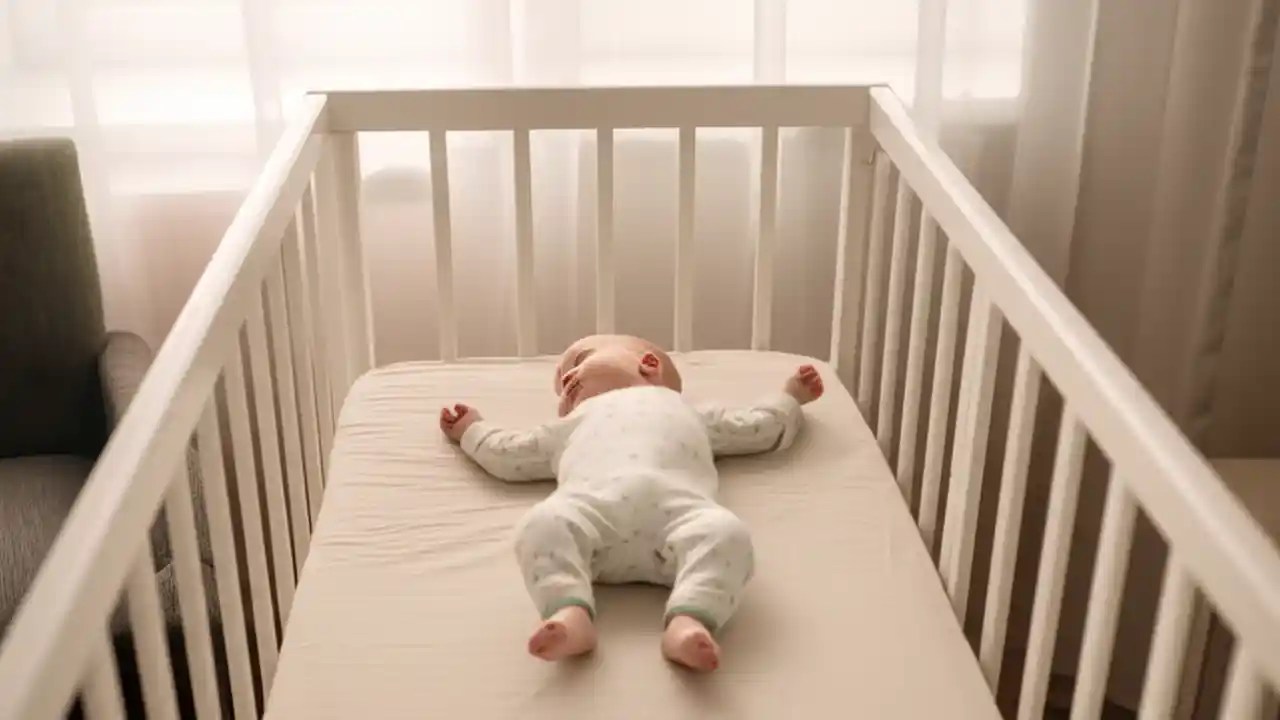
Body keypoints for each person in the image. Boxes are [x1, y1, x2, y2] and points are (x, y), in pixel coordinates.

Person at [440, 335, 823, 671]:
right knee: (542, 523)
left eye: (577, 364)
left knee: (726, 533)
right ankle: (568, 611)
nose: (565, 382)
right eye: (561, 386)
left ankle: (690, 621)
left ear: (649, 366)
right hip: (591, 514)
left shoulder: (687, 409)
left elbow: (757, 428)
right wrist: (472, 429)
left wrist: (790, 397)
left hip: (680, 517)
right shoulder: (570, 424)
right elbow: (511, 456)